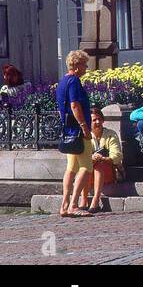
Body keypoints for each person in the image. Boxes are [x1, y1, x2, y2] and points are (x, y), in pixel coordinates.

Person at [55, 49, 93, 218]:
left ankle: (64, 205)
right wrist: (84, 126)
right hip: (78, 131)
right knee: (86, 166)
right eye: (84, 65)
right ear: (76, 65)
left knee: (71, 168)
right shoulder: (74, 82)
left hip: (68, 130)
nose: (86, 68)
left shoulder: (63, 81)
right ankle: (73, 204)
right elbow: (74, 105)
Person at [79, 106, 123, 213]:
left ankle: (95, 200)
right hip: (89, 173)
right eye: (94, 120)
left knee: (98, 165)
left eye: (99, 119)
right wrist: (91, 158)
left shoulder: (110, 134)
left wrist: (103, 158)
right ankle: (83, 200)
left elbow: (117, 156)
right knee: (87, 166)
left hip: (108, 172)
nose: (97, 122)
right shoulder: (85, 136)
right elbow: (79, 156)